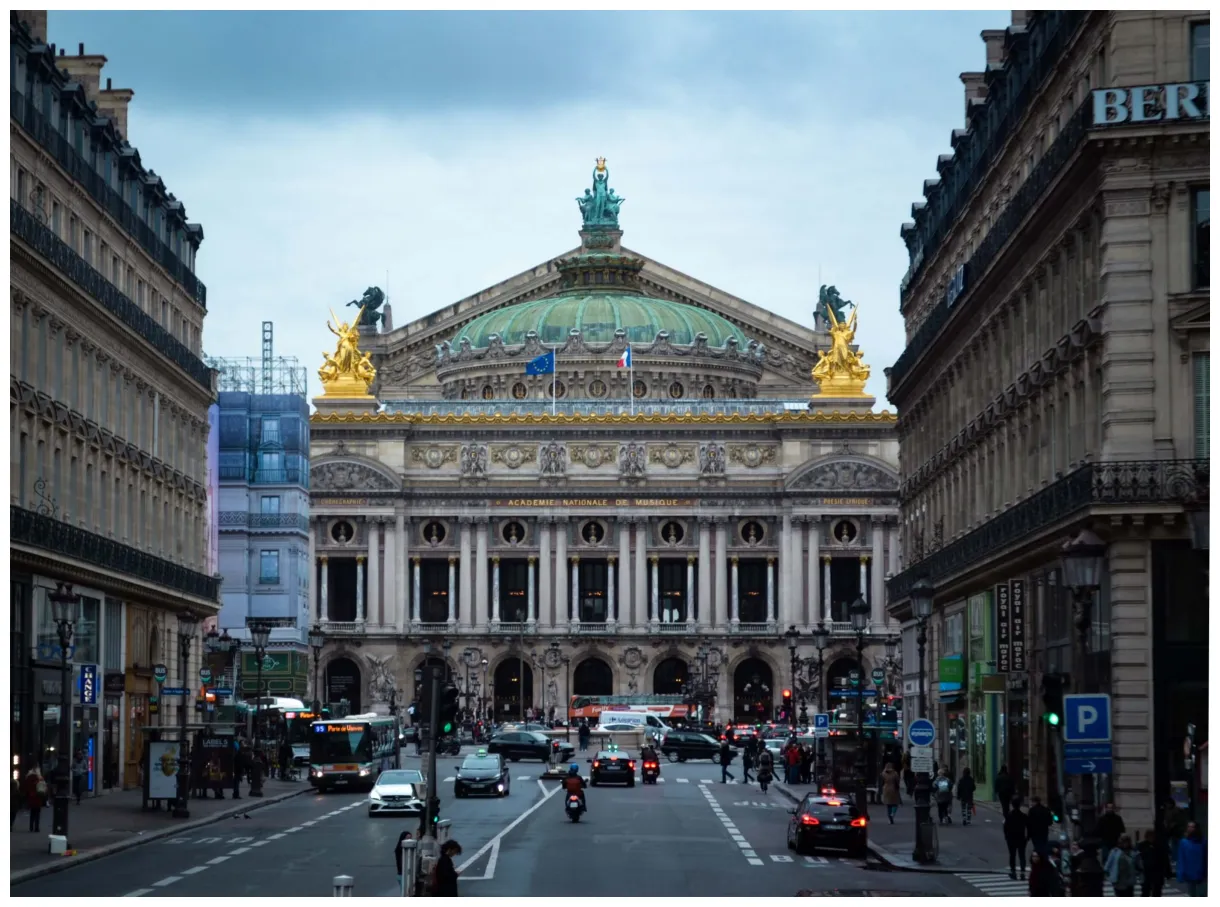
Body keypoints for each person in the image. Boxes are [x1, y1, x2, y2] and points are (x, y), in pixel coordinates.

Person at [1136, 828, 1170, 898]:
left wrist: (1168, 871)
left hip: (1158, 872)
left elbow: (1165, 859)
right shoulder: (1142, 845)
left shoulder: (1159, 846)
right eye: (1149, 836)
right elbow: (1138, 858)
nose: (1151, 838)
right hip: (1146, 872)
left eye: (1152, 836)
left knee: (1157, 892)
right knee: (1145, 891)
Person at [1175, 821, 1206, 897]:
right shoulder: (1184, 842)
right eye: (1188, 826)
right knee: (1192, 894)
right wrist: (1180, 873)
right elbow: (1181, 858)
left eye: (1192, 827)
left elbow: (1205, 857)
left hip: (1201, 872)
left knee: (1201, 894)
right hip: (1189, 873)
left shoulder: (1203, 841)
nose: (1190, 828)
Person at [1004, 797, 1029, 881]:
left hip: (1011, 839)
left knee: (1012, 855)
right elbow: (1028, 827)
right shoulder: (1023, 816)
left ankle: (1013, 872)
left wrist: (1006, 837)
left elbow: (1005, 828)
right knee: (1022, 856)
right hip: (1021, 838)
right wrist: (1027, 838)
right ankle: (1022, 872)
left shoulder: (1009, 815)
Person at [24, 765, 45, 832]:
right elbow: (43, 786)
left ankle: (31, 827)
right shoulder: (39, 777)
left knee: (32, 813)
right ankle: (36, 827)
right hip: (38, 797)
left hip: (31, 797)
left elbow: (26, 787)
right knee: (37, 813)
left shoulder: (28, 777)